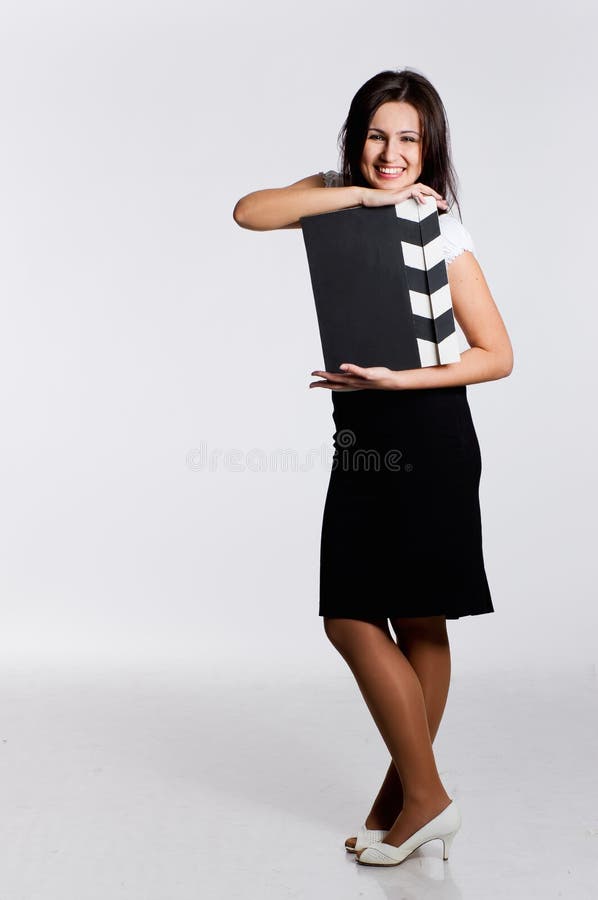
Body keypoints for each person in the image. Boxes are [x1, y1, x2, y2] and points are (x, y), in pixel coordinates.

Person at [232, 68, 513, 867]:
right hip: (359, 433)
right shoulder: (334, 196)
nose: (392, 154)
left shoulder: (440, 229)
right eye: (378, 135)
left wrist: (401, 380)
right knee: (369, 613)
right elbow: (251, 212)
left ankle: (421, 800)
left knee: (391, 616)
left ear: (432, 148)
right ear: (358, 137)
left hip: (428, 431)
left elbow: (497, 356)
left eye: (409, 140)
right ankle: (404, 805)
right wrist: (360, 197)